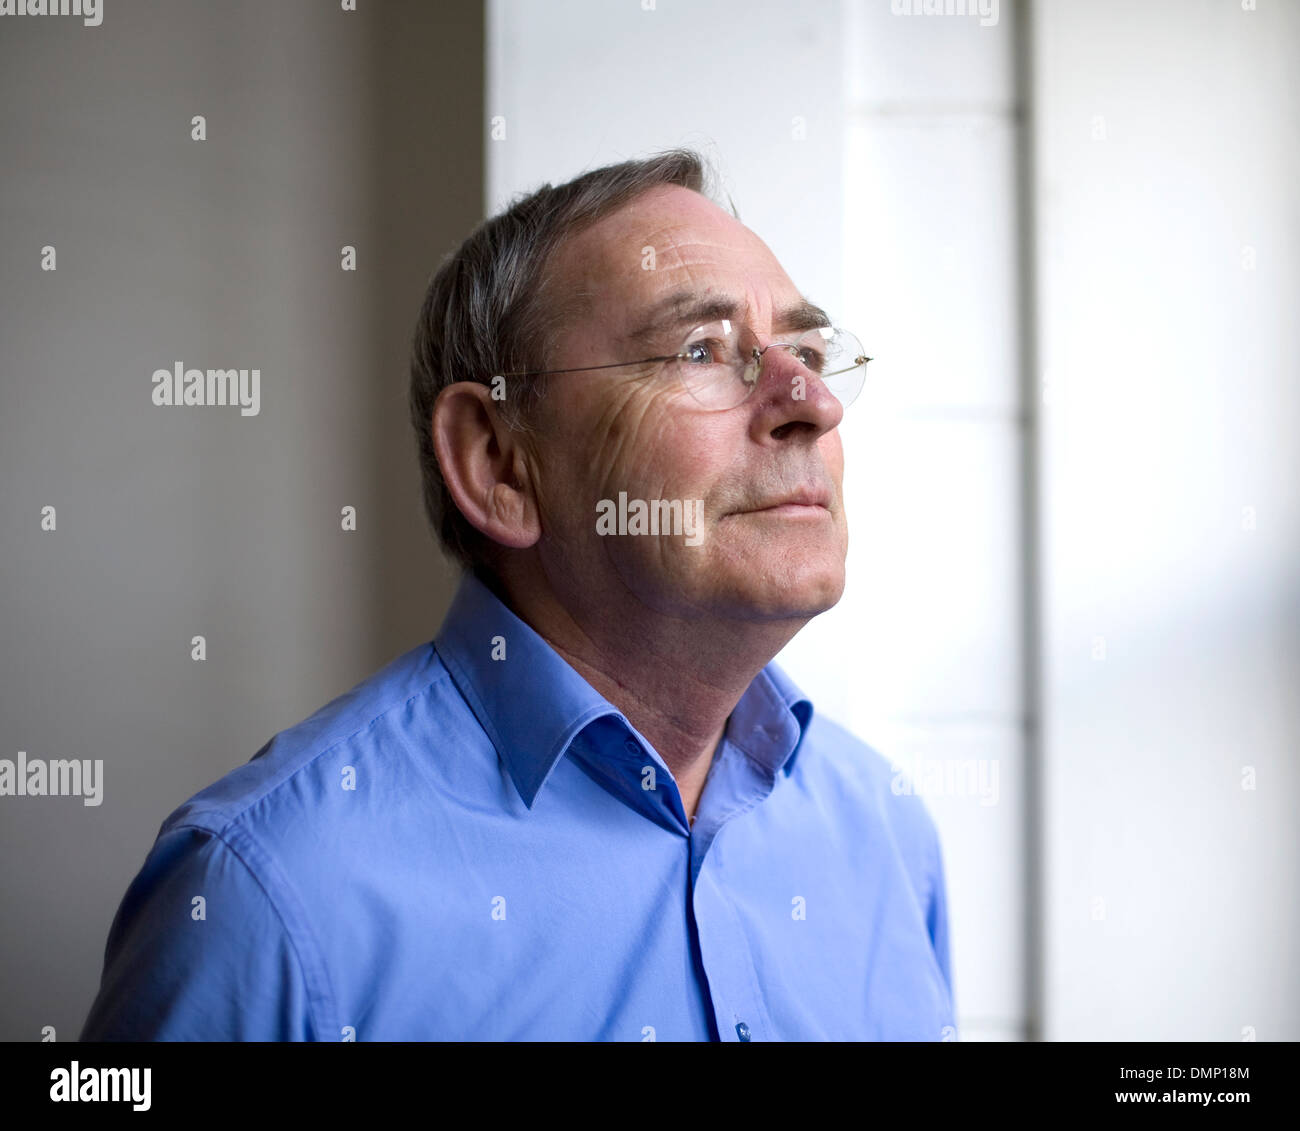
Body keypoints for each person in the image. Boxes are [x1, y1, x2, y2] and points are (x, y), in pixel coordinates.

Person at [81, 149, 955, 1041]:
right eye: (701, 349)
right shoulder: (261, 895)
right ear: (498, 463)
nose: (810, 400)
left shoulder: (884, 831)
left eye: (807, 350)